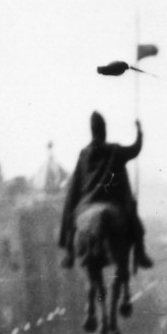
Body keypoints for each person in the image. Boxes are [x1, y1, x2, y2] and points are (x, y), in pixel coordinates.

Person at [60, 110, 153, 270]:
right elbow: (135, 149)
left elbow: (76, 184)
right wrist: (139, 132)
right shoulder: (115, 150)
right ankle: (141, 253)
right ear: (104, 129)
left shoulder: (84, 153)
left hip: (87, 204)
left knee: (71, 219)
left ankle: (69, 253)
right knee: (133, 220)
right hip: (112, 203)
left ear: (92, 130)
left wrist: (71, 206)